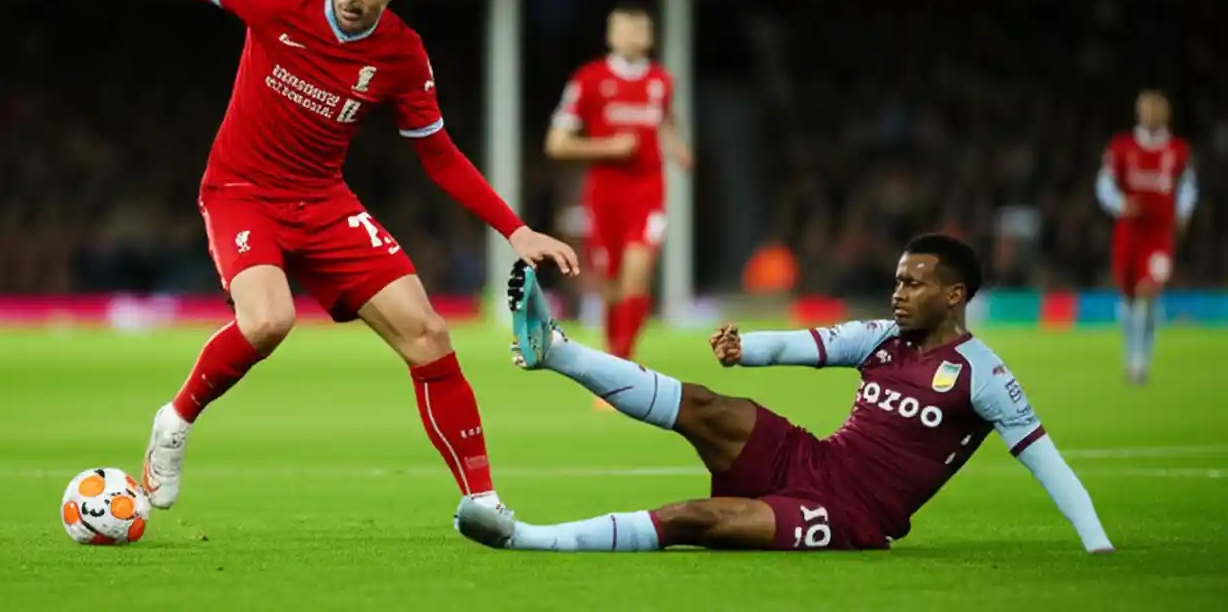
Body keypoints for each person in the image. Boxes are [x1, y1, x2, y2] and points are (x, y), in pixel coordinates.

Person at [35, 0, 578, 519]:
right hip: (240, 191)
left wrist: (517, 229)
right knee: (269, 321)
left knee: (428, 333)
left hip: (322, 200)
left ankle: (483, 501)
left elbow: (440, 156)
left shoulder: (403, 55)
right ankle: (176, 419)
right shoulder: (277, 2)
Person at [456, 234, 1113, 554]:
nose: (898, 293)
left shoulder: (984, 375)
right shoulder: (881, 338)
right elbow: (812, 344)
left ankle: (525, 539)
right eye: (897, 281)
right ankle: (559, 351)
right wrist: (749, 349)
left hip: (853, 516)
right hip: (812, 462)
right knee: (708, 407)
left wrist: (1097, 544)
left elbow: (1044, 460)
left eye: (914, 284)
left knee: (699, 519)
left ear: (954, 296)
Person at [545, 2, 692, 362]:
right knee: (611, 283)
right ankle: (613, 355)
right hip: (605, 193)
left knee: (637, 273)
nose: (637, 35)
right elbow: (556, 143)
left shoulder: (660, 81)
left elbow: (666, 122)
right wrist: (608, 146)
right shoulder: (589, 80)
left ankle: (625, 362)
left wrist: (677, 150)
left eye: (642, 29)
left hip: (648, 190)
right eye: (628, 28)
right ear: (612, 36)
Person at [1096, 89, 1197, 385]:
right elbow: (1103, 184)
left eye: (1158, 110)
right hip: (1129, 231)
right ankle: (1131, 356)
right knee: (1128, 295)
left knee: (1148, 290)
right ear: (1138, 113)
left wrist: (1184, 212)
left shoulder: (1178, 150)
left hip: (1159, 233)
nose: (1152, 115)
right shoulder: (1121, 147)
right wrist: (1119, 204)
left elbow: (1189, 185)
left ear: (1166, 115)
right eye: (1147, 109)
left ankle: (1141, 363)